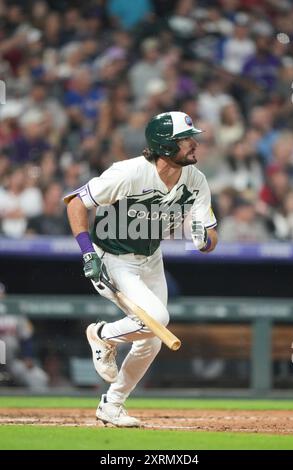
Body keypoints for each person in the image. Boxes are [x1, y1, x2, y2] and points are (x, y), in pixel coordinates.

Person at [64, 111, 218, 427]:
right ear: (164, 146)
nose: (193, 144)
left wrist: (204, 240)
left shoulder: (196, 180)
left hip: (151, 258)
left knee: (151, 339)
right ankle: (101, 334)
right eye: (186, 139)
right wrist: (87, 254)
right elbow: (76, 203)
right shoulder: (128, 172)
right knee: (158, 319)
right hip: (113, 259)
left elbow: (211, 236)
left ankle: (112, 403)